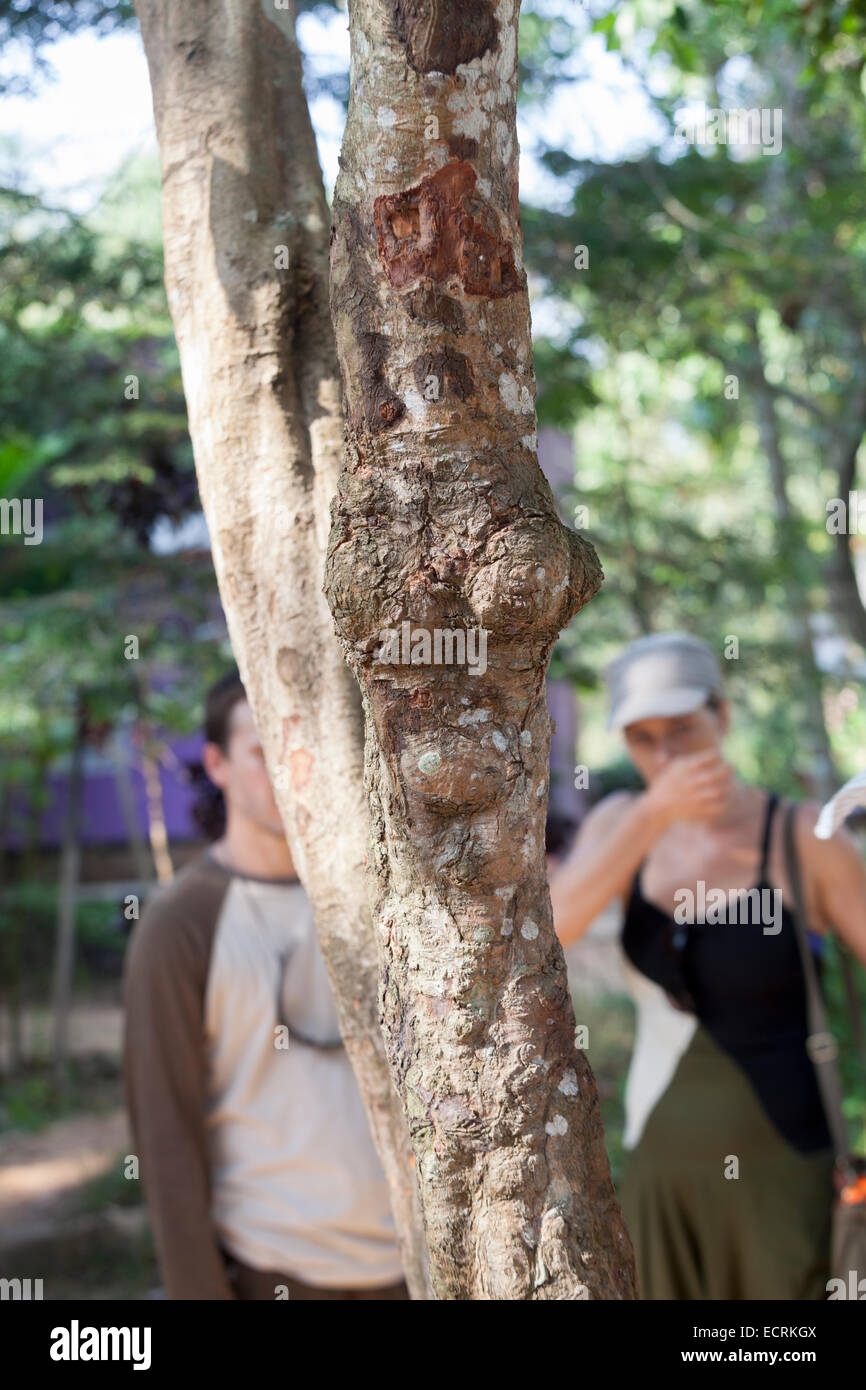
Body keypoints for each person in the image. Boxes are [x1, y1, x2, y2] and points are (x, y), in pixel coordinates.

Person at [550, 631, 866, 1300]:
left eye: (682, 729)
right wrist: (656, 813)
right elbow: (553, 927)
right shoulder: (620, 821)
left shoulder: (800, 835)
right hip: (663, 1159)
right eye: (642, 738)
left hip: (786, 1166)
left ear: (721, 716)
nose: (664, 754)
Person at [123, 670, 408, 1300]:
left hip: (418, 1268)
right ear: (218, 764)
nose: (288, 768)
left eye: (303, 747)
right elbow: (166, 1134)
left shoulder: (384, 900)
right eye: (263, 751)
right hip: (275, 1272)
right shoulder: (180, 926)